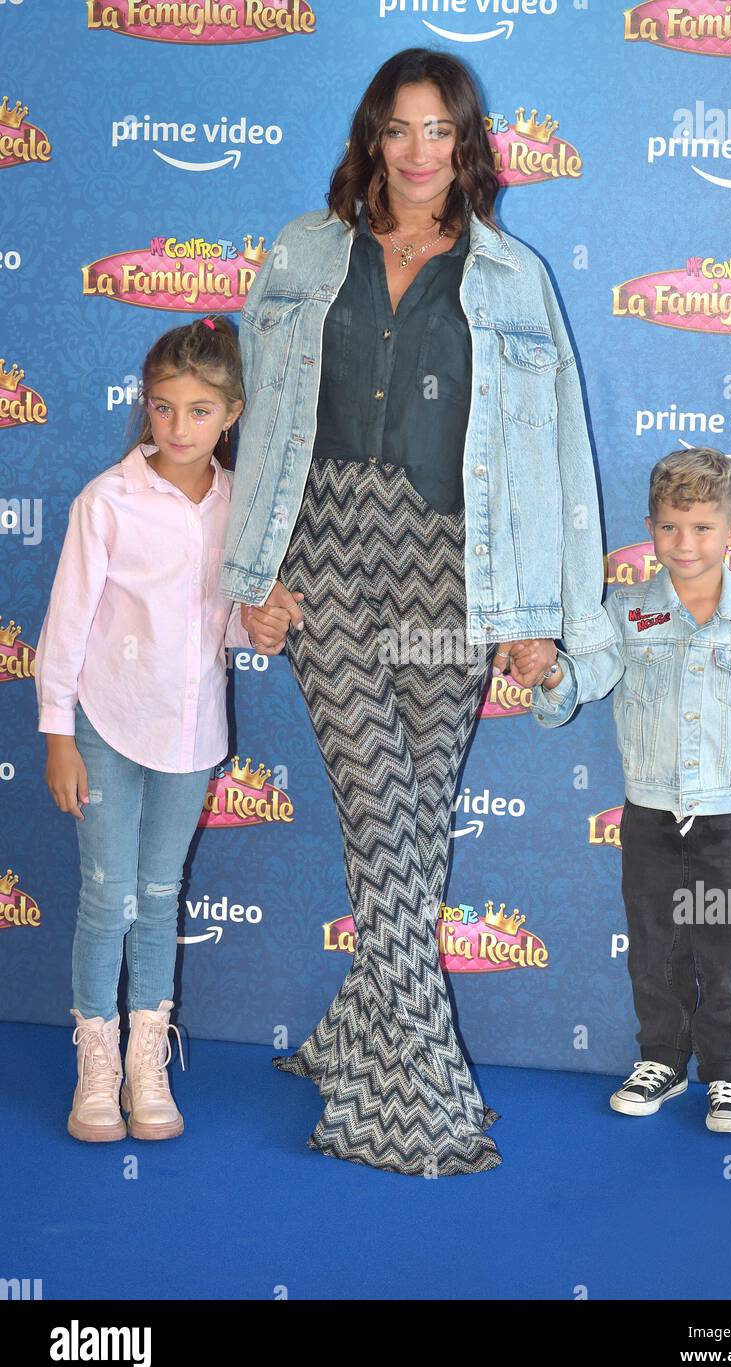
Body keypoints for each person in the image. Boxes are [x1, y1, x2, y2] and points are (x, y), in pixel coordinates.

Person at [223, 48, 615, 1176]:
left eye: (439, 130)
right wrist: (250, 573)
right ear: (370, 137)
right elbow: (250, 421)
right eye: (399, 129)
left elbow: (551, 461)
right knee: (380, 817)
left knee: (410, 826)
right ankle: (417, 1101)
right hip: (331, 554)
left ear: (468, 143)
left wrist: (536, 615)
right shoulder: (305, 251)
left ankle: (353, 1037)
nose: (417, 152)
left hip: (455, 570)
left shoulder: (511, 276)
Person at [34, 317, 291, 1144]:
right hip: (107, 721)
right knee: (106, 895)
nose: (179, 427)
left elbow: (215, 624)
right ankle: (97, 1065)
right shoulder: (106, 502)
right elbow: (66, 627)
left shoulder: (238, 510)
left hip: (190, 732)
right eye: (164, 408)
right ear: (145, 408)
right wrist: (57, 734)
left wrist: (262, 624)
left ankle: (148, 1057)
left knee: (158, 893)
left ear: (233, 413)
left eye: (200, 411)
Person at [517, 448, 731, 1133]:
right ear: (650, 528)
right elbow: (584, 679)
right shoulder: (624, 614)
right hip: (651, 820)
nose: (685, 544)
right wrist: (548, 675)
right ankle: (660, 1060)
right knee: (654, 952)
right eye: (670, 527)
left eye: (702, 528)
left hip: (730, 823)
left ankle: (725, 1078)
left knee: (726, 959)